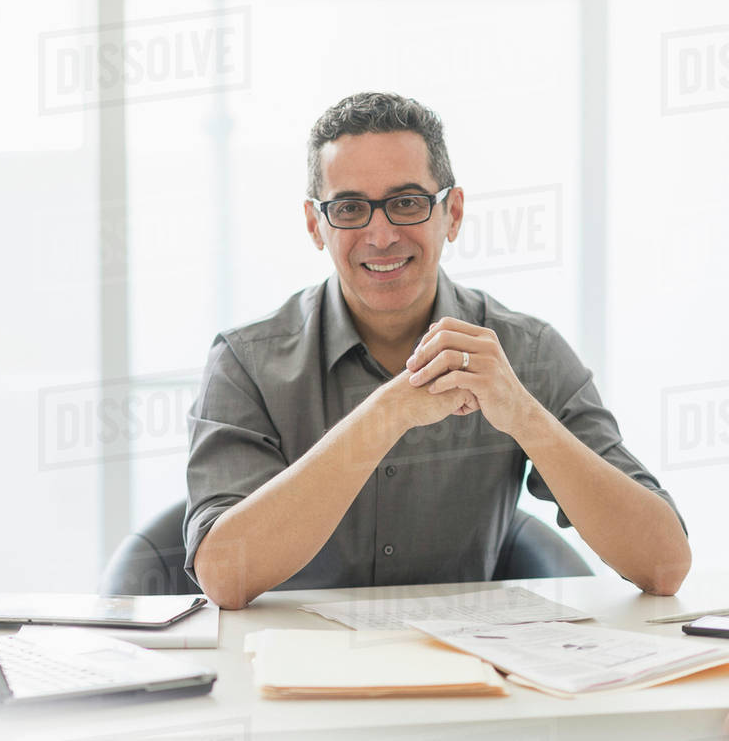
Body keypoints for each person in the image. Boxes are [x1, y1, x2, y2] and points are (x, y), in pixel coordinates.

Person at [184, 92, 689, 610]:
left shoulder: (527, 350)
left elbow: (665, 565)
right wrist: (389, 412)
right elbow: (223, 577)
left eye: (407, 202)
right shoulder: (245, 362)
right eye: (350, 208)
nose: (381, 235)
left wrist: (523, 415)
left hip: (468, 656)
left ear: (453, 213)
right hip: (289, 658)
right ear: (316, 225)